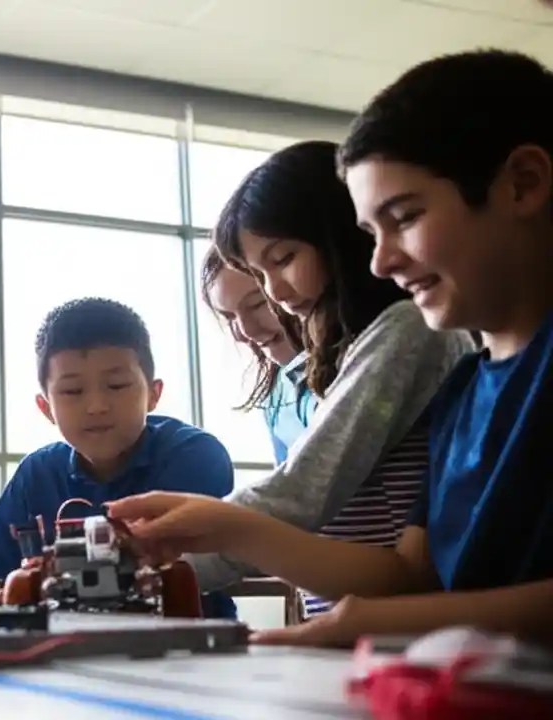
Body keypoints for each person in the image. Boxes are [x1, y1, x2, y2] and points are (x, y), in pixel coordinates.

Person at [108, 50, 553, 647]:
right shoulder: (463, 392)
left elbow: (402, 591)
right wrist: (224, 528)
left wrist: (367, 621)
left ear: (523, 184)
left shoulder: (412, 339)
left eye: (406, 217)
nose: (381, 260)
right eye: (371, 233)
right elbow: (412, 578)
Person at [193, 140, 476, 618]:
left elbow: (305, 487)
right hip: (354, 622)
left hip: (407, 624)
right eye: (260, 275)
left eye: (283, 259)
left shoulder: (408, 330)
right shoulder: (343, 354)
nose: (277, 293)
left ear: (339, 233)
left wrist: (163, 558)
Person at [0, 297, 237, 618]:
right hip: (63, 653)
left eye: (116, 385)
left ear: (153, 394)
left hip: (188, 648)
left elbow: (165, 562)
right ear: (46, 408)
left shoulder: (195, 456)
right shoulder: (38, 472)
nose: (96, 406)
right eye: (72, 391)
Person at [199, 246, 313, 463]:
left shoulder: (359, 366)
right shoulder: (277, 393)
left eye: (258, 304)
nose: (246, 332)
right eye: (230, 317)